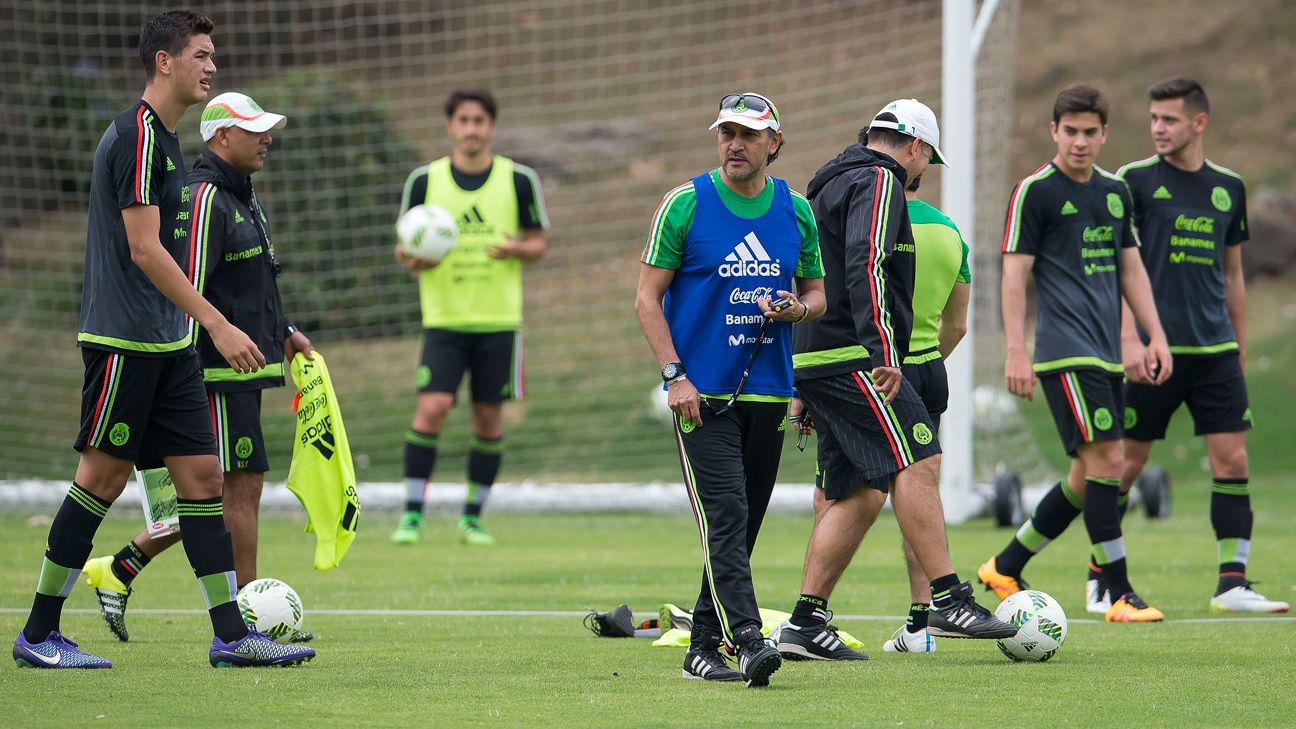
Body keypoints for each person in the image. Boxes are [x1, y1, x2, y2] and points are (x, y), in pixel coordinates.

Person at [12, 11, 313, 669]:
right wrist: (216, 321)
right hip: (126, 342)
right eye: (201, 55)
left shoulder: (165, 141)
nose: (211, 66)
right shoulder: (138, 137)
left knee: (205, 478)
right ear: (164, 62)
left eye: (213, 55)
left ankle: (232, 634)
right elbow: (145, 250)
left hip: (167, 345)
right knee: (101, 476)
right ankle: (38, 633)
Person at [775, 99, 1013, 664]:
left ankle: (805, 623)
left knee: (860, 491)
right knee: (920, 459)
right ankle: (949, 600)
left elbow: (810, 273)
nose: (923, 169)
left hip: (817, 357)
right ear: (915, 148)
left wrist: (799, 381)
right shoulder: (879, 180)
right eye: (927, 158)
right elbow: (867, 259)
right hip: (857, 355)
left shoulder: (825, 184)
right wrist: (885, 350)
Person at [81, 91, 321, 643]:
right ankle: (247, 623)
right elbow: (186, 284)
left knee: (224, 492)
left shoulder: (242, 193)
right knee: (231, 491)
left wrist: (282, 331)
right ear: (221, 137)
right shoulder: (204, 197)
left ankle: (120, 568)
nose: (267, 138)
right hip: (211, 369)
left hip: (245, 366)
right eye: (255, 129)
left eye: (268, 129)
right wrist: (185, 364)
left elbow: (250, 279)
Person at [635, 92, 826, 686]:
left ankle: (699, 647)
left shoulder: (795, 210)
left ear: (775, 144)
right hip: (702, 397)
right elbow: (646, 299)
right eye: (726, 133)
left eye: (748, 134)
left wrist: (796, 309)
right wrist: (675, 376)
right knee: (727, 515)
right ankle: (746, 638)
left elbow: (817, 295)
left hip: (769, 390)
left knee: (741, 528)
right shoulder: (685, 204)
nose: (734, 144)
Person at [1081, 76, 1286, 614]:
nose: (1158, 128)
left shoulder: (1229, 187)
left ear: (1199, 122)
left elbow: (1234, 274)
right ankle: (1101, 573)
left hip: (1214, 350)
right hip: (1153, 350)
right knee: (1125, 464)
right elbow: (1118, 267)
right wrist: (1129, 338)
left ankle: (1232, 583)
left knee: (1234, 460)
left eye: (1169, 119)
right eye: (1153, 118)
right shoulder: (1134, 181)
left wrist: (1238, 344)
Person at [977, 84, 1171, 623]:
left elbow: (1132, 269)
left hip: (1108, 355)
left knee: (1086, 477)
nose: (1080, 141)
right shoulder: (1034, 192)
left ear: (1104, 134)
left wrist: (1154, 335)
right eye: (1071, 131)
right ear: (1054, 131)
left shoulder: (1114, 193)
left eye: (1091, 132)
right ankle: (1119, 593)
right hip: (1064, 353)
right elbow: (1014, 277)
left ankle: (1005, 564)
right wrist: (1016, 351)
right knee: (1111, 461)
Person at [390, 88, 549, 547]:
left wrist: (517, 248)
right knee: (433, 408)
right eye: (463, 120)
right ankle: (412, 516)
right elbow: (405, 246)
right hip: (443, 320)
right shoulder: (424, 181)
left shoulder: (518, 180)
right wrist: (415, 260)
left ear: (491, 127)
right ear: (450, 126)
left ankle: (472, 518)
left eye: (480, 120)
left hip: (499, 321)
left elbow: (538, 242)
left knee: (487, 418)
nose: (472, 129)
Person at [878, 172, 972, 653]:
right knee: (919, 492)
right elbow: (957, 325)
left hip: (876, 374)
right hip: (929, 370)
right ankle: (921, 622)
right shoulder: (951, 232)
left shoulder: (867, 223)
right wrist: (923, 359)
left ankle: (810, 614)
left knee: (843, 496)